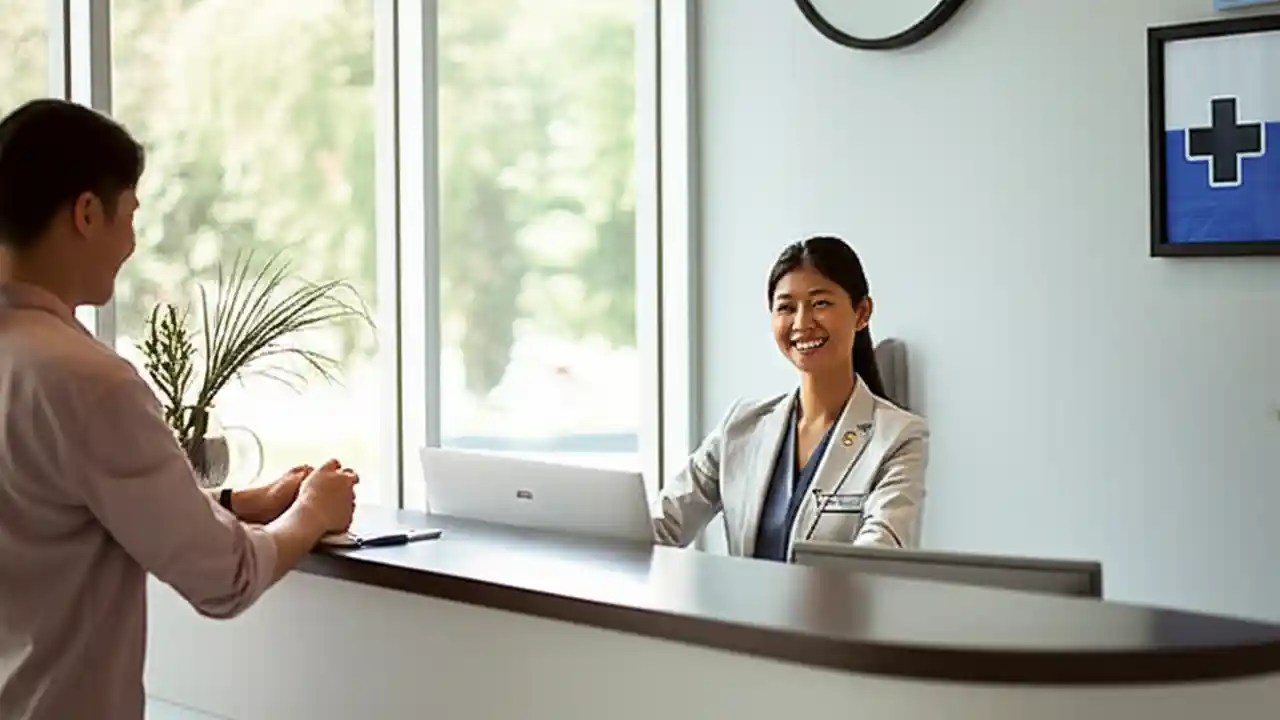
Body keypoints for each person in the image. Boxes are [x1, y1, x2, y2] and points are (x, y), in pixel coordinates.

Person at [0, 98, 360, 720]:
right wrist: (310, 513)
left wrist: (235, 503)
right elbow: (227, 579)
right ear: (87, 212)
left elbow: (52, 510)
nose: (132, 243)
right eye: (130, 216)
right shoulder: (86, 381)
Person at [653, 235, 928, 560]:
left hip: (838, 613)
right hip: (736, 613)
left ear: (862, 312)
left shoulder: (899, 436)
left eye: (820, 303)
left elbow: (880, 556)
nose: (802, 323)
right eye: (786, 307)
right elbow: (664, 525)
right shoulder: (741, 426)